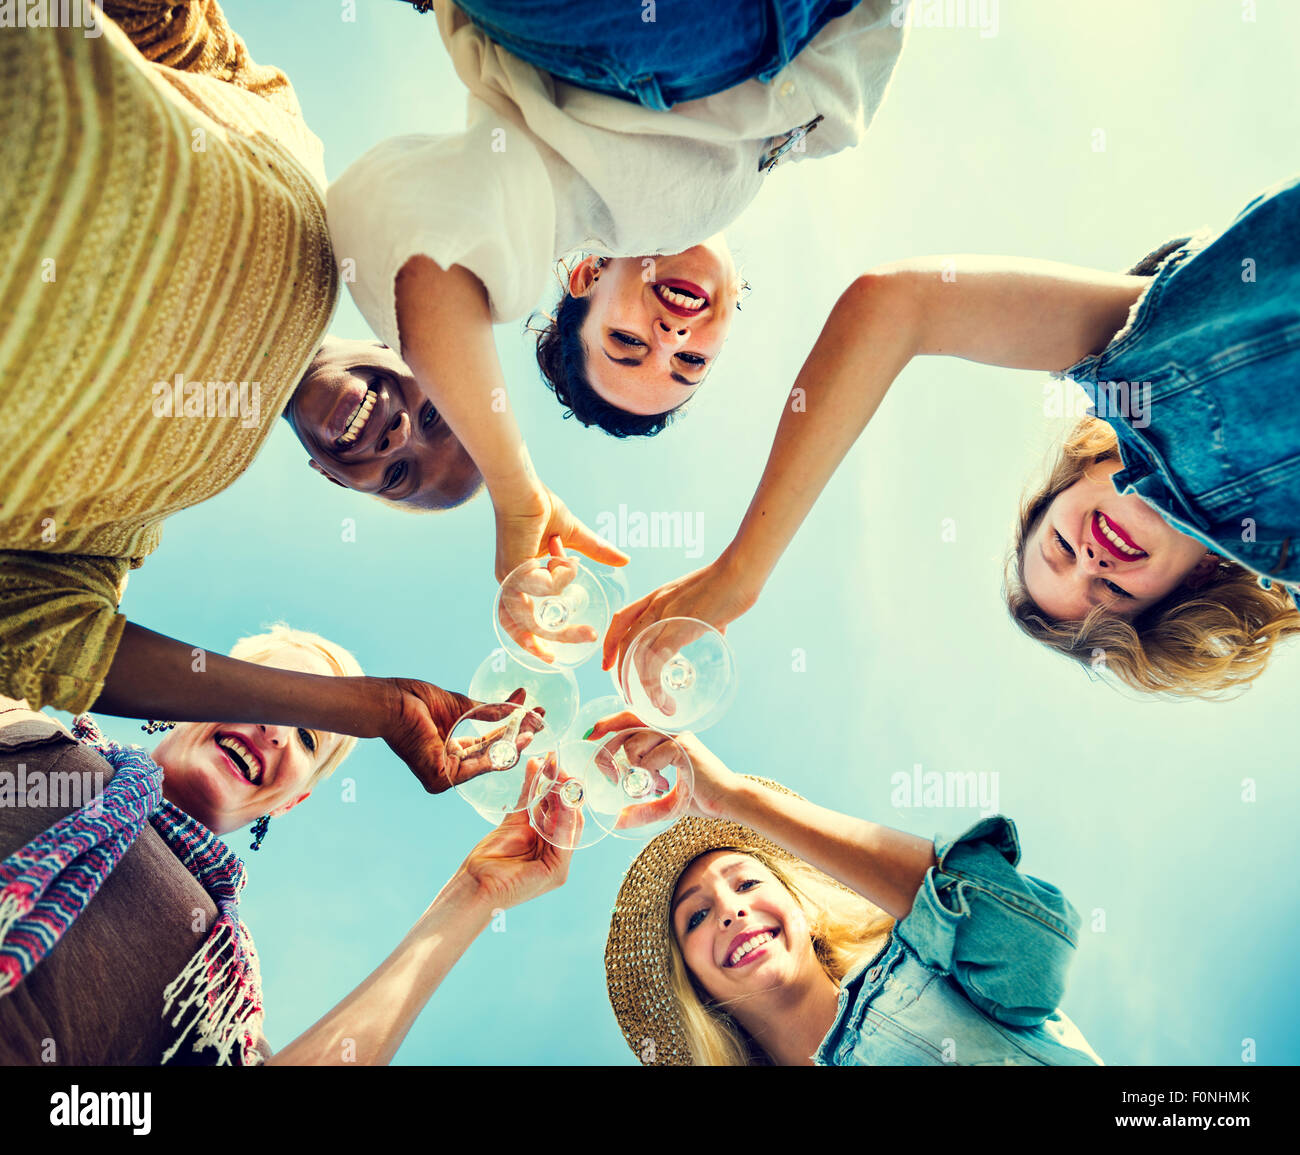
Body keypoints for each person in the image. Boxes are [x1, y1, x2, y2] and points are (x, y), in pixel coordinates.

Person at [0, 3, 520, 774]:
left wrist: (373, 709)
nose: (398, 437)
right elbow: (165, 21)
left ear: (335, 478)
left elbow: (43, 639)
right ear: (410, 348)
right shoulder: (300, 163)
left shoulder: (141, 512)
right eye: (437, 413)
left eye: (398, 475)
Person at [602, 173, 1300, 698]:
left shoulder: (1131, 363)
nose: (1091, 561)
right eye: (1110, 593)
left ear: (1070, 483)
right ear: (1193, 578)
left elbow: (898, 306)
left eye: (1060, 548)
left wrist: (740, 574)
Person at [325, 0, 907, 582]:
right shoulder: (831, 126)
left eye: (626, 342)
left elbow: (409, 240)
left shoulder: (577, 203)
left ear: (587, 276)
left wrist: (515, 490)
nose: (671, 337)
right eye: (691, 361)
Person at [0, 627, 567, 1064]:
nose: (275, 730)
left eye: (307, 735)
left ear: (291, 801)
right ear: (191, 696)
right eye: (271, 692)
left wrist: (474, 894)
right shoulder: (24, 727)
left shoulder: (220, 981)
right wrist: (385, 707)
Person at [594, 718, 1101, 1066]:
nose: (731, 910)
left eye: (747, 882)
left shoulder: (930, 968)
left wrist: (736, 799)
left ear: (801, 907)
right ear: (693, 982)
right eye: (696, 917)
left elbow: (1030, 945)